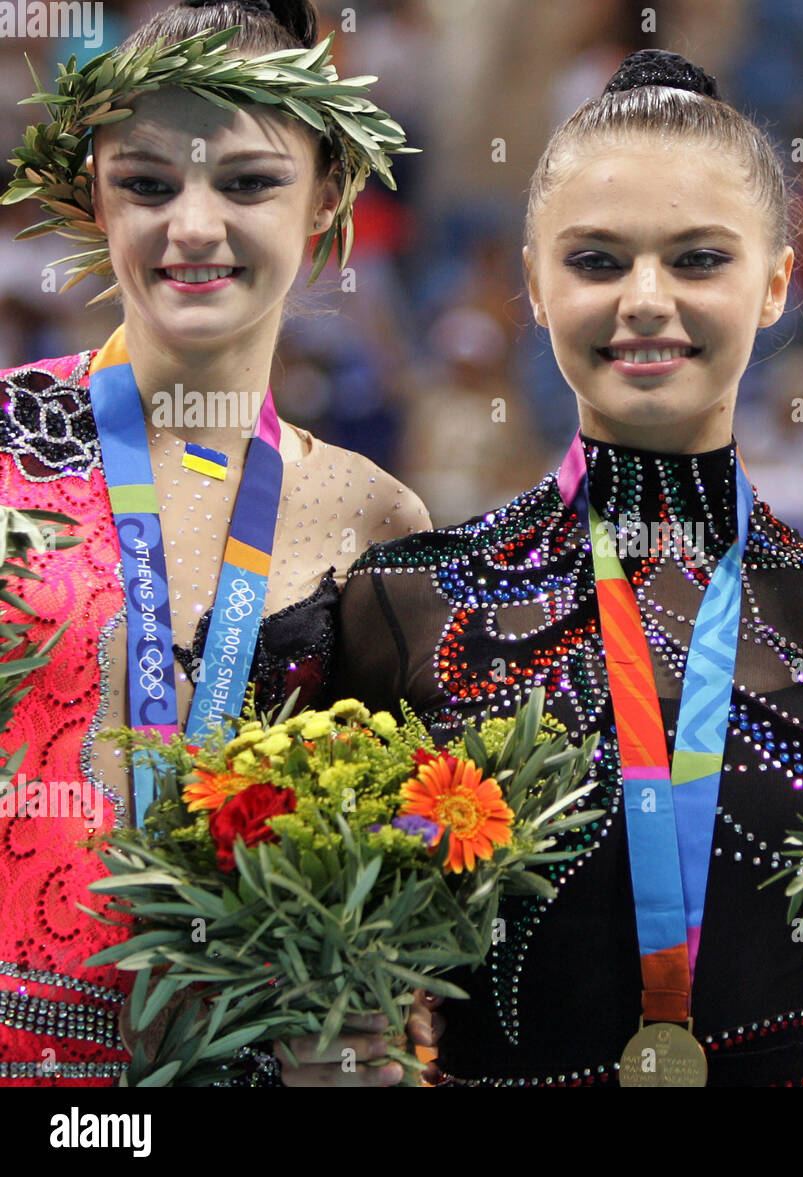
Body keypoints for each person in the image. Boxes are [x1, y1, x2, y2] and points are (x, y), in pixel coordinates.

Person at [341, 49, 803, 1087]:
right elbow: (346, 985)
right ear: (533, 283)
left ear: (774, 283)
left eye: (699, 259)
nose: (646, 299)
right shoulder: (408, 599)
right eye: (597, 261)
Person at [0, 0, 430, 1087]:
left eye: (247, 183)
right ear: (88, 191)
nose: (192, 226)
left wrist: (365, 1034)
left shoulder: (373, 518)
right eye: (147, 183)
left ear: (327, 193)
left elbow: (398, 891)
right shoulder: (6, 447)